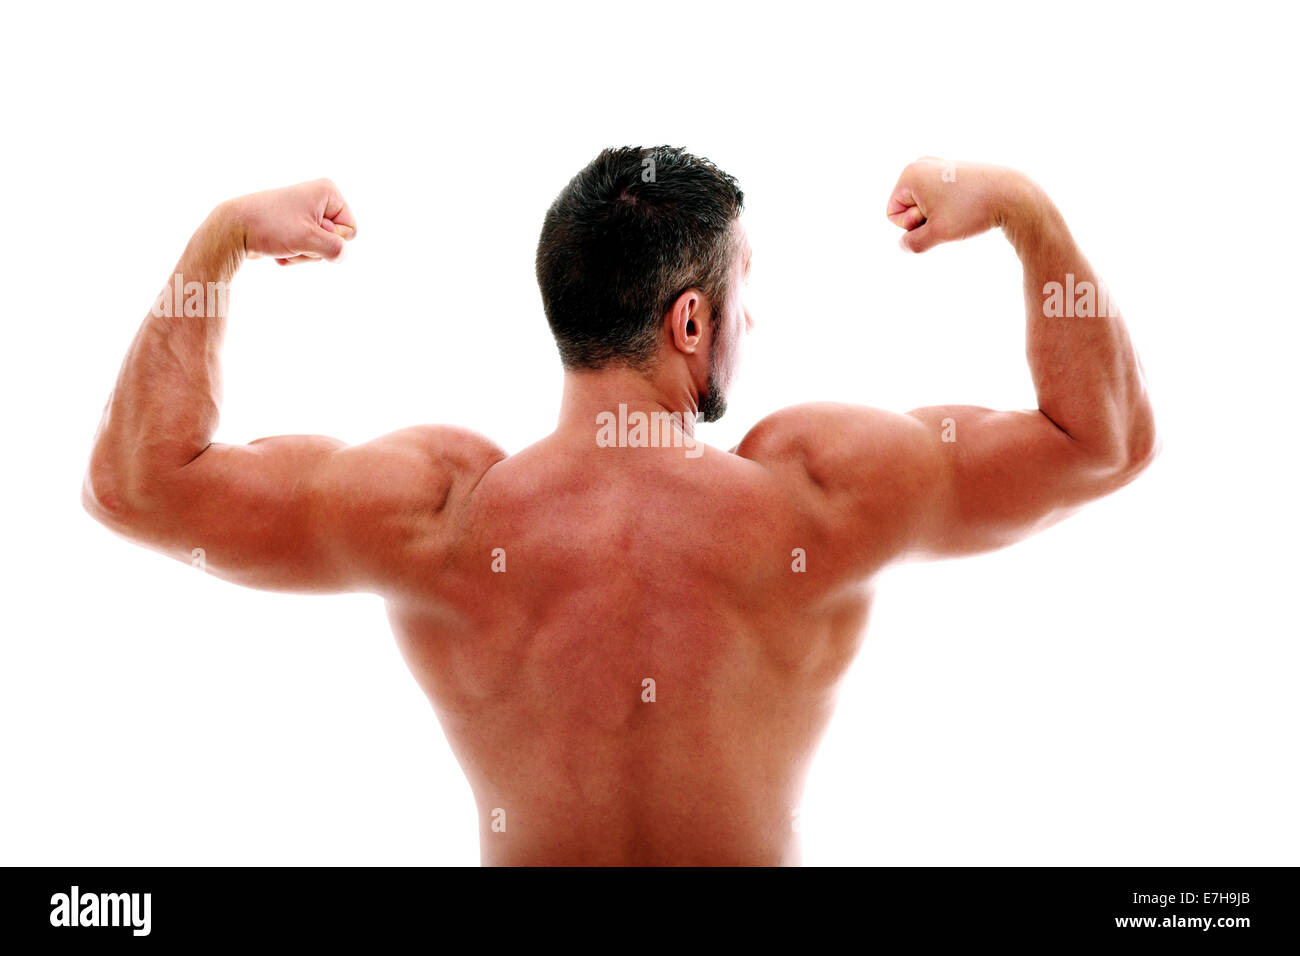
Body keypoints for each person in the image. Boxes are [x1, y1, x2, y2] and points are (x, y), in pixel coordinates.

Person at [82, 148, 1157, 865]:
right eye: (744, 291)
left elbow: (137, 484)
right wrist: (1022, 208)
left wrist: (219, 238)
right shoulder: (820, 492)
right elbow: (1099, 441)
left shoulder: (435, 511)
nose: (751, 318)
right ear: (690, 319)